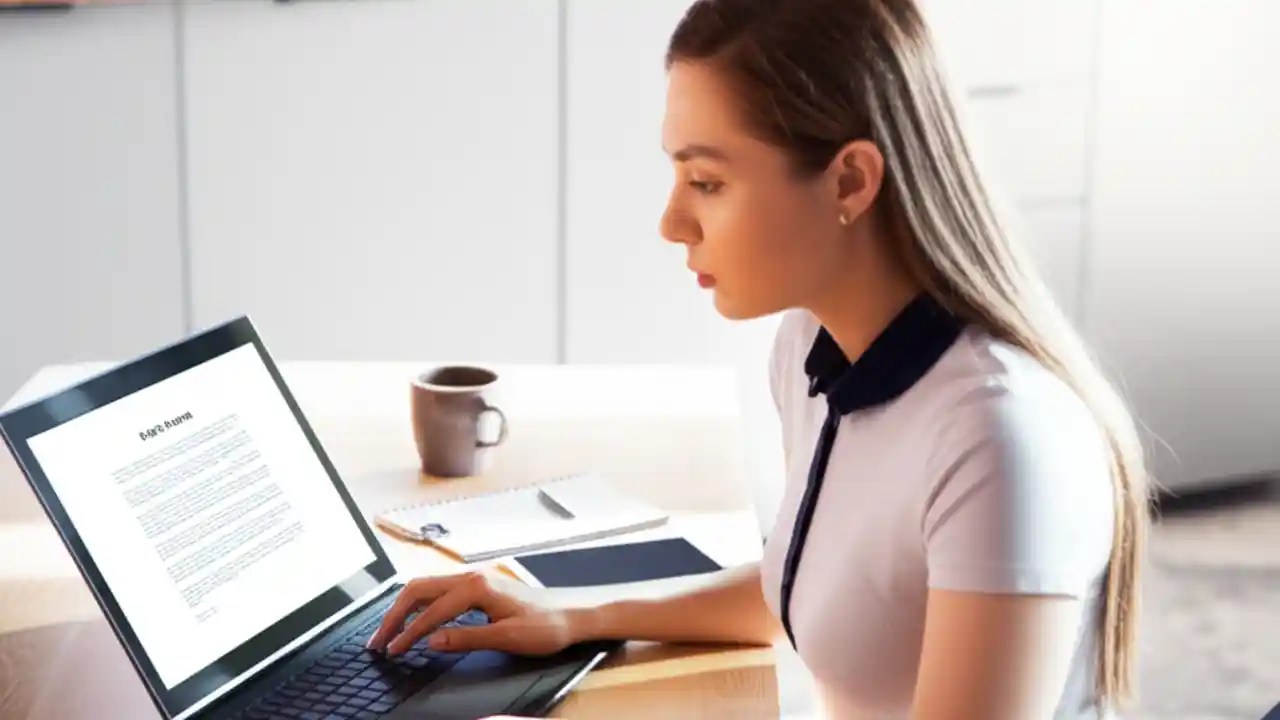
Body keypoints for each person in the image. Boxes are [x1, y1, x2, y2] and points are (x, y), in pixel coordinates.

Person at [367, 0, 1153, 717]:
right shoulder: (814, 349)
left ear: (849, 179)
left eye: (707, 180)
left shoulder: (998, 443)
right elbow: (824, 590)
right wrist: (578, 614)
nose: (673, 221)